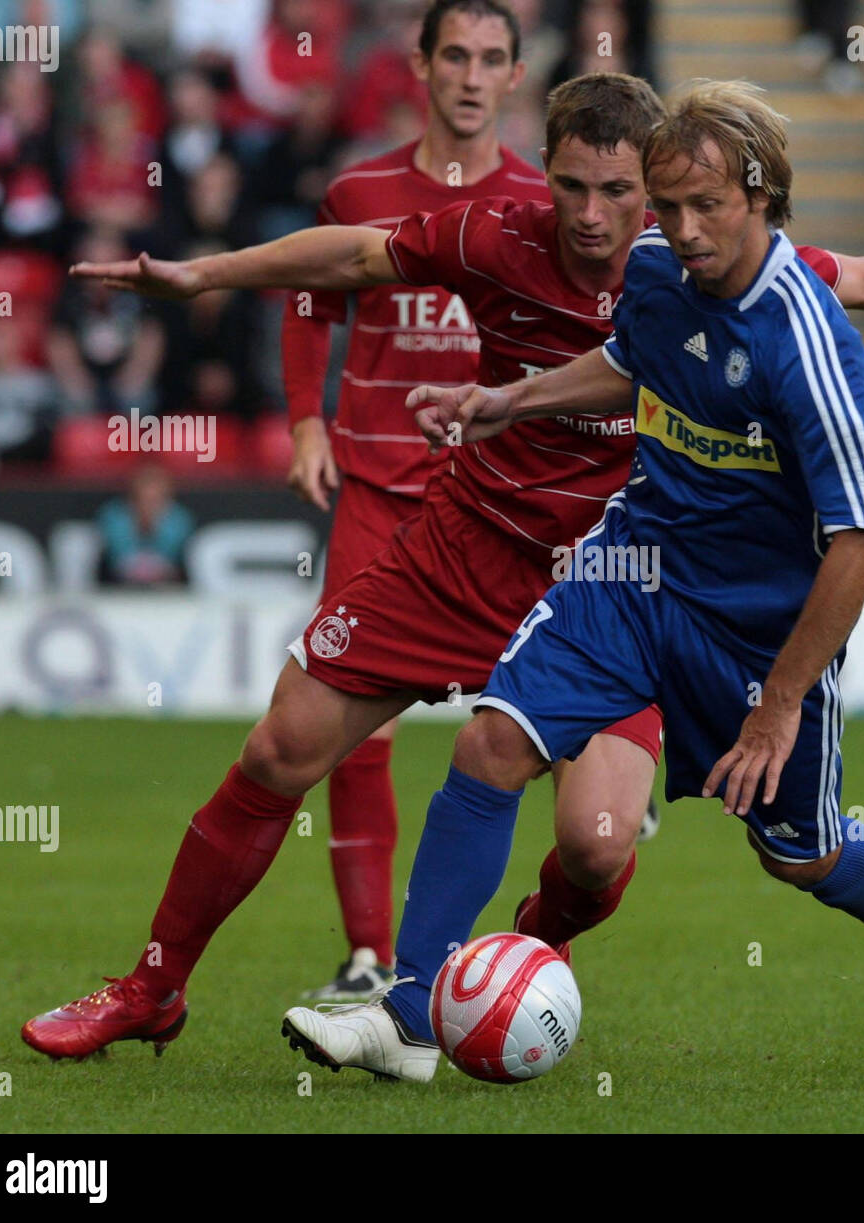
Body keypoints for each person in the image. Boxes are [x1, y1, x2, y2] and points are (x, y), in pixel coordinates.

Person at [23, 70, 864, 1067]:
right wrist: (492, 392)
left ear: (748, 199)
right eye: (610, 195)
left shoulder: (785, 317)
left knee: (750, 850)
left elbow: (863, 494)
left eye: (666, 200)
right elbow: (550, 329)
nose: (639, 223)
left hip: (739, 612)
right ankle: (395, 1007)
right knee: (431, 745)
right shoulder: (605, 253)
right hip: (582, 564)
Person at [282, 0, 552, 1001]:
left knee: (541, 725)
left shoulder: (546, 199)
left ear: (515, 76)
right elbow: (310, 303)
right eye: (455, 56)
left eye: (491, 59)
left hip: (498, 507)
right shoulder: (359, 188)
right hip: (379, 487)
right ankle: (369, 956)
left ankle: (521, 950)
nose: (471, 77)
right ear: (420, 65)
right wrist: (307, 423)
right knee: (349, 724)